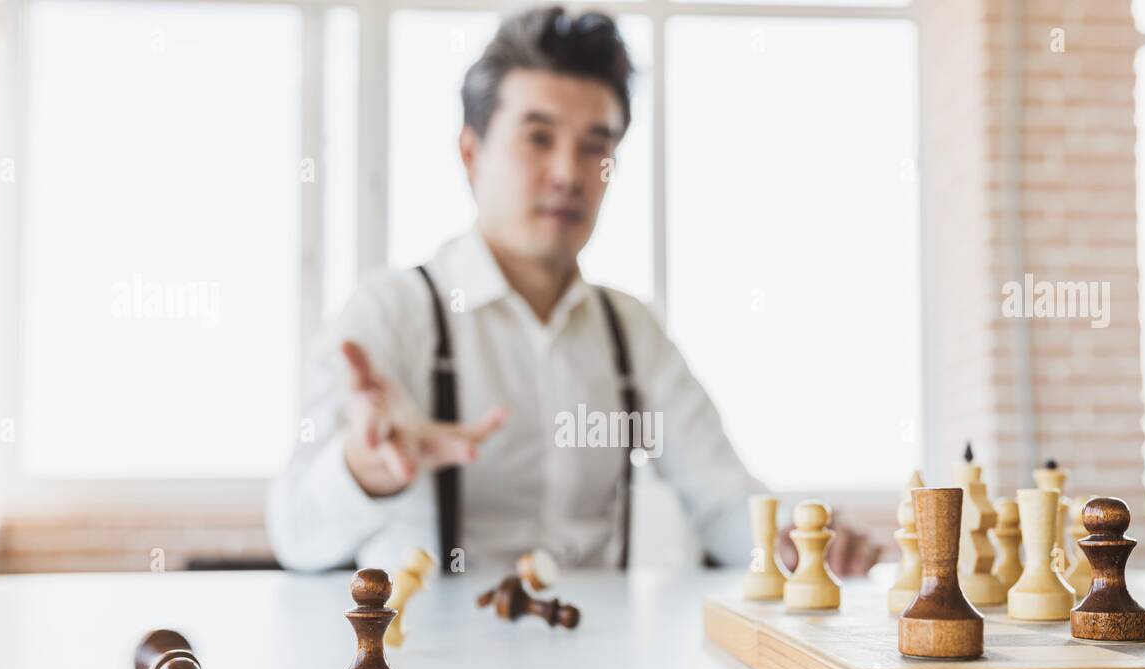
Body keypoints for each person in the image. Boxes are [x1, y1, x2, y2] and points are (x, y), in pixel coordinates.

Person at [266, 5, 874, 577]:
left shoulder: (629, 332)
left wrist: (798, 542)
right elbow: (294, 533)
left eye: (595, 146)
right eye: (538, 137)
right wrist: (364, 469)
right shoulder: (390, 314)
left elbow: (720, 501)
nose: (569, 173)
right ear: (470, 152)